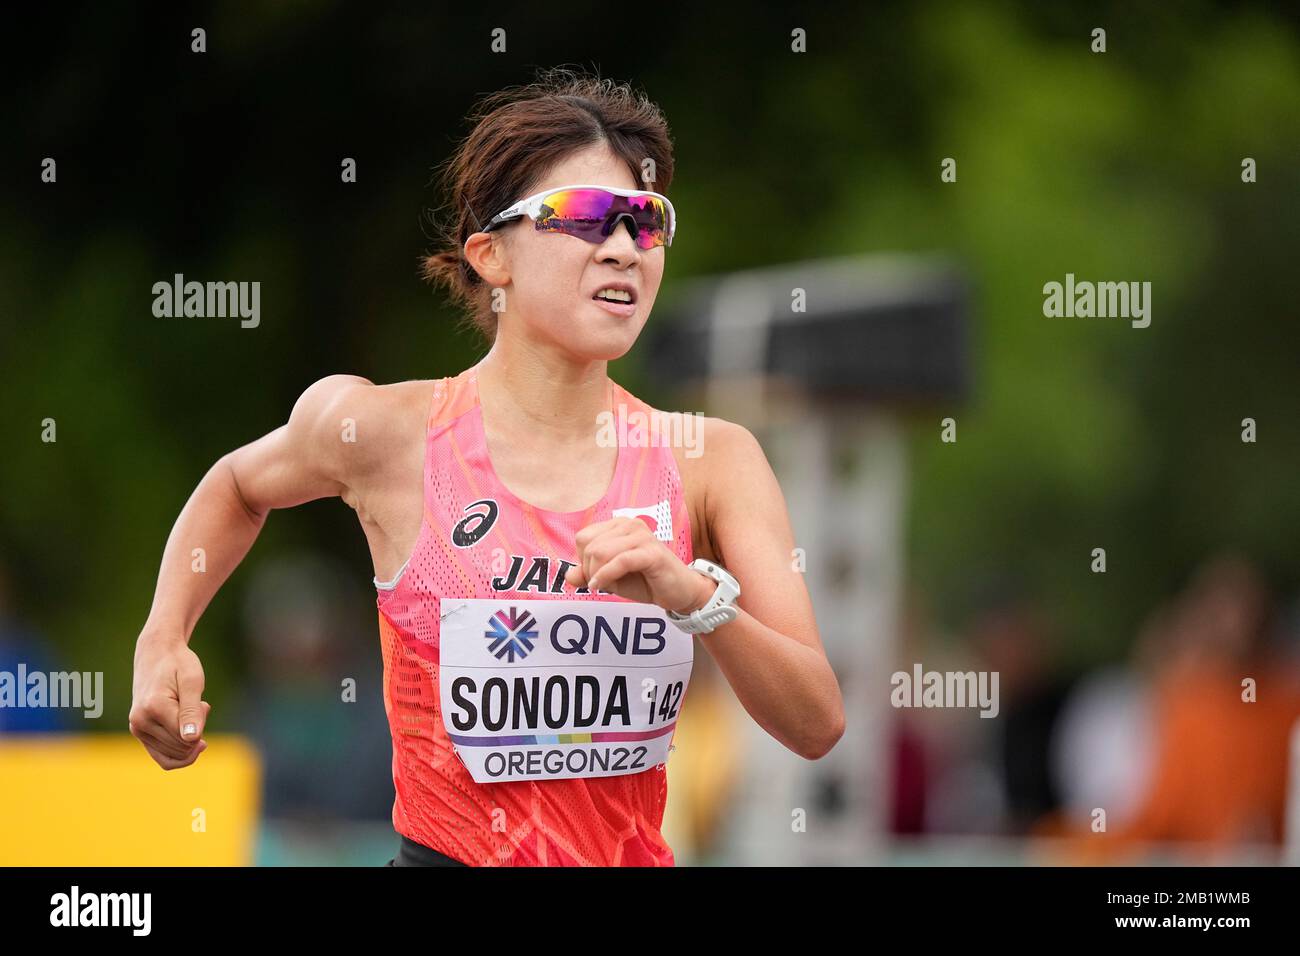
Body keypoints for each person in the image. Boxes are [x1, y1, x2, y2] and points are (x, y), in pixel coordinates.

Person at [129, 66, 844, 867]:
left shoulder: (710, 458)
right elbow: (236, 485)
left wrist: (692, 596)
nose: (622, 249)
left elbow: (816, 723)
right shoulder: (381, 430)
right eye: (583, 218)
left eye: (645, 223)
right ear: (491, 255)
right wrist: (163, 639)